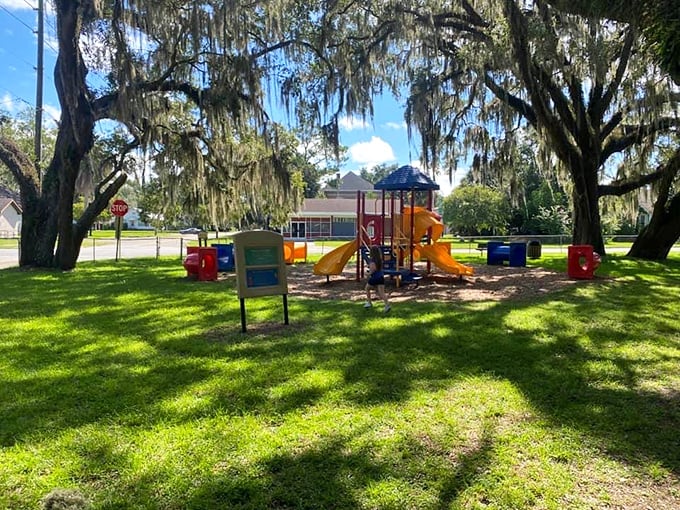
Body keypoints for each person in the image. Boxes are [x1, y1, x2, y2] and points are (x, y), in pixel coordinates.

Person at [364, 245, 391, 313]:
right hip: (381, 277)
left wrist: (367, 274)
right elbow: (376, 267)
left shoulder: (372, 260)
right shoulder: (379, 260)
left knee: (367, 288)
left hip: (375, 277)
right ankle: (387, 305)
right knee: (381, 292)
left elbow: (373, 269)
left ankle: (369, 302)